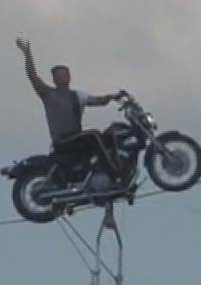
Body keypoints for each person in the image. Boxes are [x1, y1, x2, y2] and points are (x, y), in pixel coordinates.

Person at [18, 36, 123, 185]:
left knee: (109, 135)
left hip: (76, 138)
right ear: (54, 80)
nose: (62, 78)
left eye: (64, 75)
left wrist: (113, 96)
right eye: (58, 76)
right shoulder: (48, 94)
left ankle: (108, 169)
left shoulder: (76, 96)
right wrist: (27, 55)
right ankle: (114, 174)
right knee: (93, 135)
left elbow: (98, 100)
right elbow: (32, 76)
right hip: (63, 141)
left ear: (69, 77)